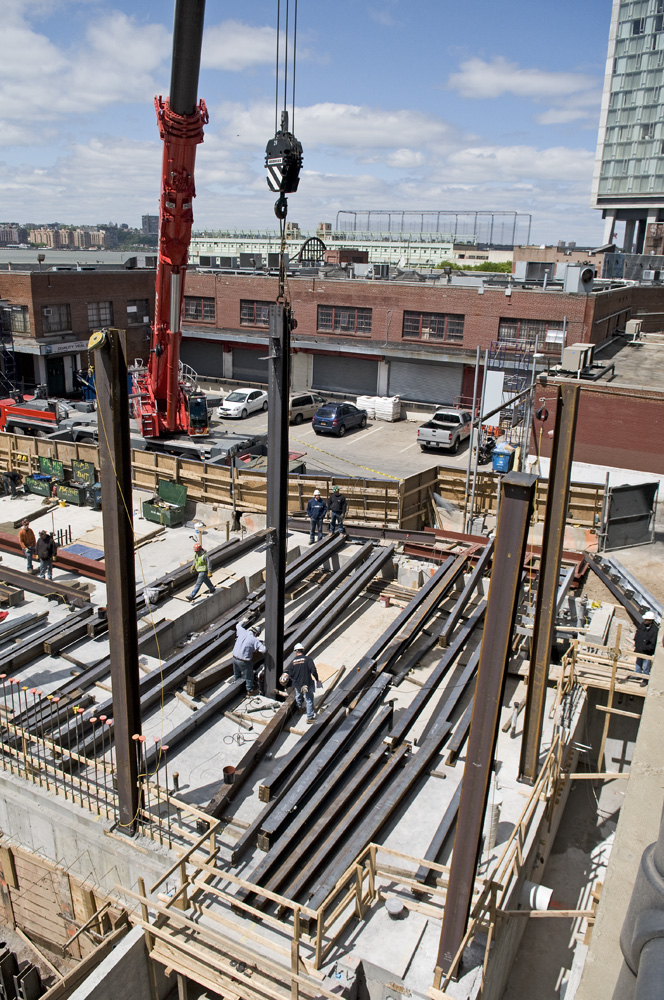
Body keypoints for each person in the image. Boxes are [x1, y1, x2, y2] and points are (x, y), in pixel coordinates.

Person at [284, 642, 322, 723]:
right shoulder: (308, 659)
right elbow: (313, 671)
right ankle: (310, 717)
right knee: (309, 699)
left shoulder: (292, 662)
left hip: (297, 684)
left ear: (295, 651)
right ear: (302, 650)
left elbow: (290, 674)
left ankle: (299, 709)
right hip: (306, 683)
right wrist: (317, 679)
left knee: (298, 695)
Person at [232, 619, 265, 694]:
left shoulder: (242, 632)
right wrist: (259, 645)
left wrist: (243, 621)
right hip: (244, 661)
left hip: (234, 658)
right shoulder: (254, 640)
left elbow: (238, 625)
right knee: (249, 676)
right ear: (256, 634)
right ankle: (249, 690)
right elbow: (263, 650)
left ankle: (236, 687)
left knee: (237, 674)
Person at [634, 610, 659, 686]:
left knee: (646, 666)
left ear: (651, 621)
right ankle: (637, 675)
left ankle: (645, 679)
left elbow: (652, 643)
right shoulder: (642, 625)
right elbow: (638, 634)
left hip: (647, 652)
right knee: (638, 663)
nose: (645, 621)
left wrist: (646, 648)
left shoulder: (654, 630)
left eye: (646, 620)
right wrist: (637, 644)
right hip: (639, 649)